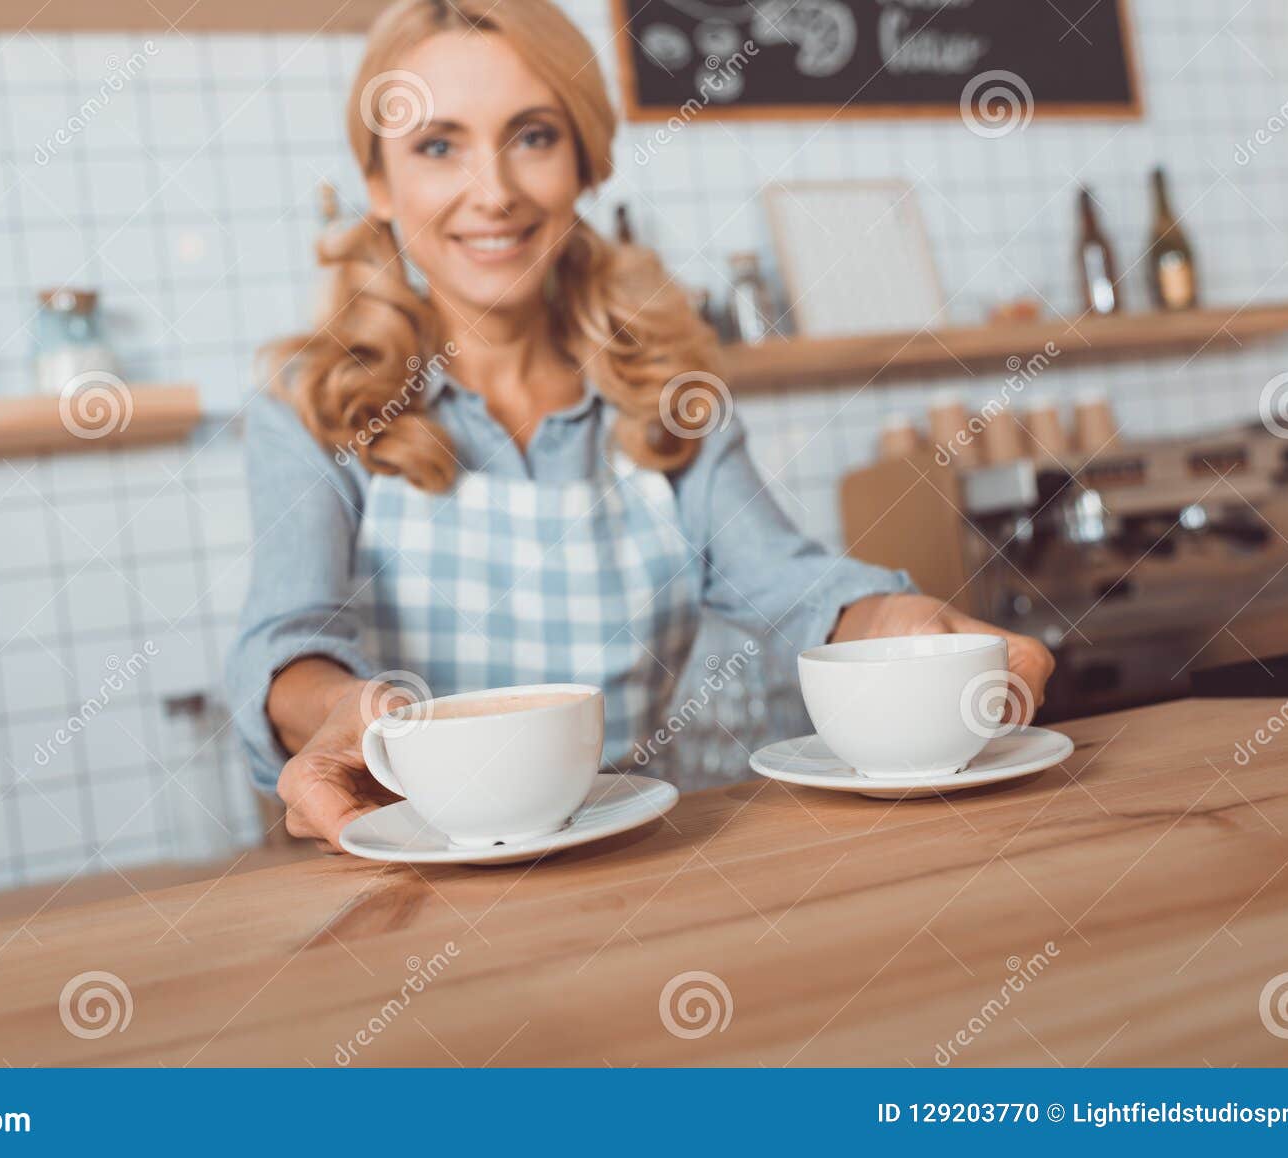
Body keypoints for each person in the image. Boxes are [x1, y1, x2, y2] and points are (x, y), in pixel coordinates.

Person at [226, 0, 1055, 852]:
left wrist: (893, 624)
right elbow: (290, 641)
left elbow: (789, 585)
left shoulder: (662, 388)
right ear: (379, 183)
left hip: (627, 856)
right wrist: (343, 714)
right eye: (438, 146)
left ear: (586, 162)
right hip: (409, 861)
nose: (495, 192)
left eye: (533, 136)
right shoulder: (316, 405)